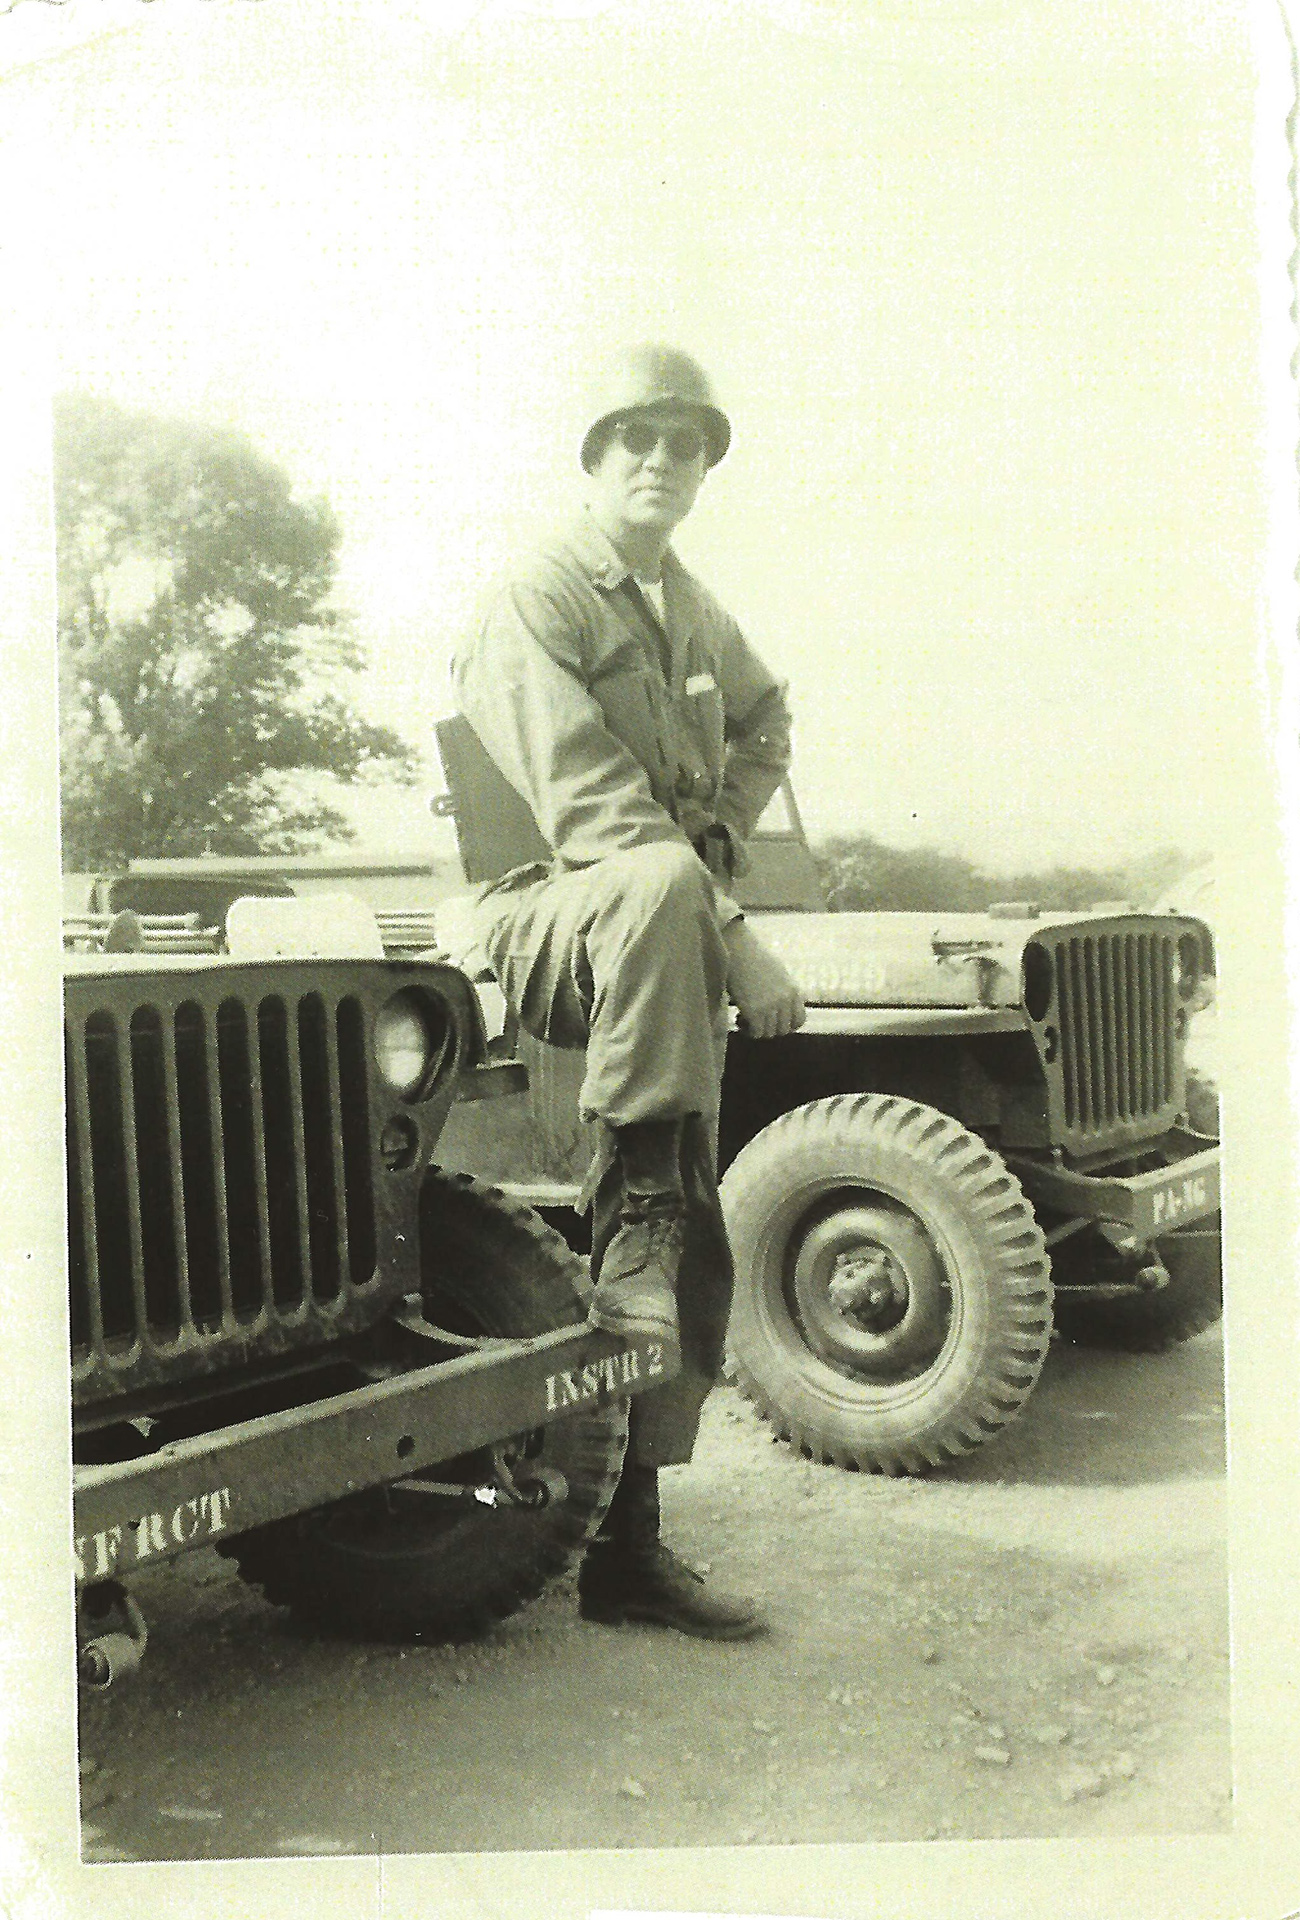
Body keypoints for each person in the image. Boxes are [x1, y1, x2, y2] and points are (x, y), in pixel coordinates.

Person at [452, 343, 805, 1640]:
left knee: (688, 1237)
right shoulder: (540, 593)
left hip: (656, 927)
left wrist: (716, 849)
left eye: (688, 443)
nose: (663, 461)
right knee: (657, 884)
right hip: (540, 914)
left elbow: (768, 719)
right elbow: (595, 811)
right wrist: (733, 920)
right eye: (637, 440)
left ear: (708, 468)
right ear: (595, 457)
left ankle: (629, 1552)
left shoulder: (694, 611)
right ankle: (639, 1217)